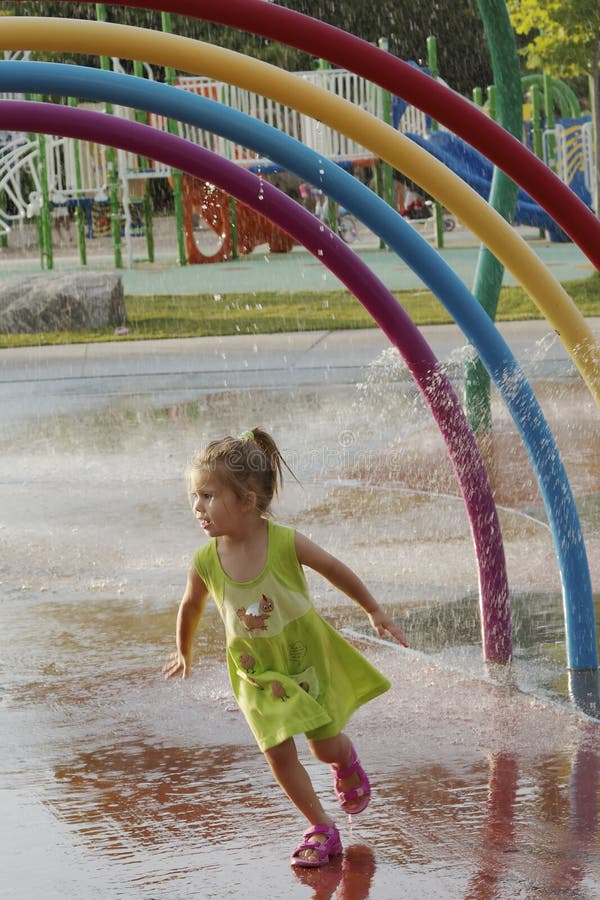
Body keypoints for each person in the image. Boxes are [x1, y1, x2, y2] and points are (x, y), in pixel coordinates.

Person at [163, 428, 407, 868]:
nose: (197, 507)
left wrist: (374, 609)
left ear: (247, 501)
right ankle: (320, 826)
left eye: (207, 495)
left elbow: (333, 567)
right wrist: (183, 649)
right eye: (194, 496)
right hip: (256, 671)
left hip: (303, 658)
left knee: (322, 746)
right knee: (277, 750)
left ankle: (345, 758)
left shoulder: (284, 542)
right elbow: (191, 604)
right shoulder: (205, 560)